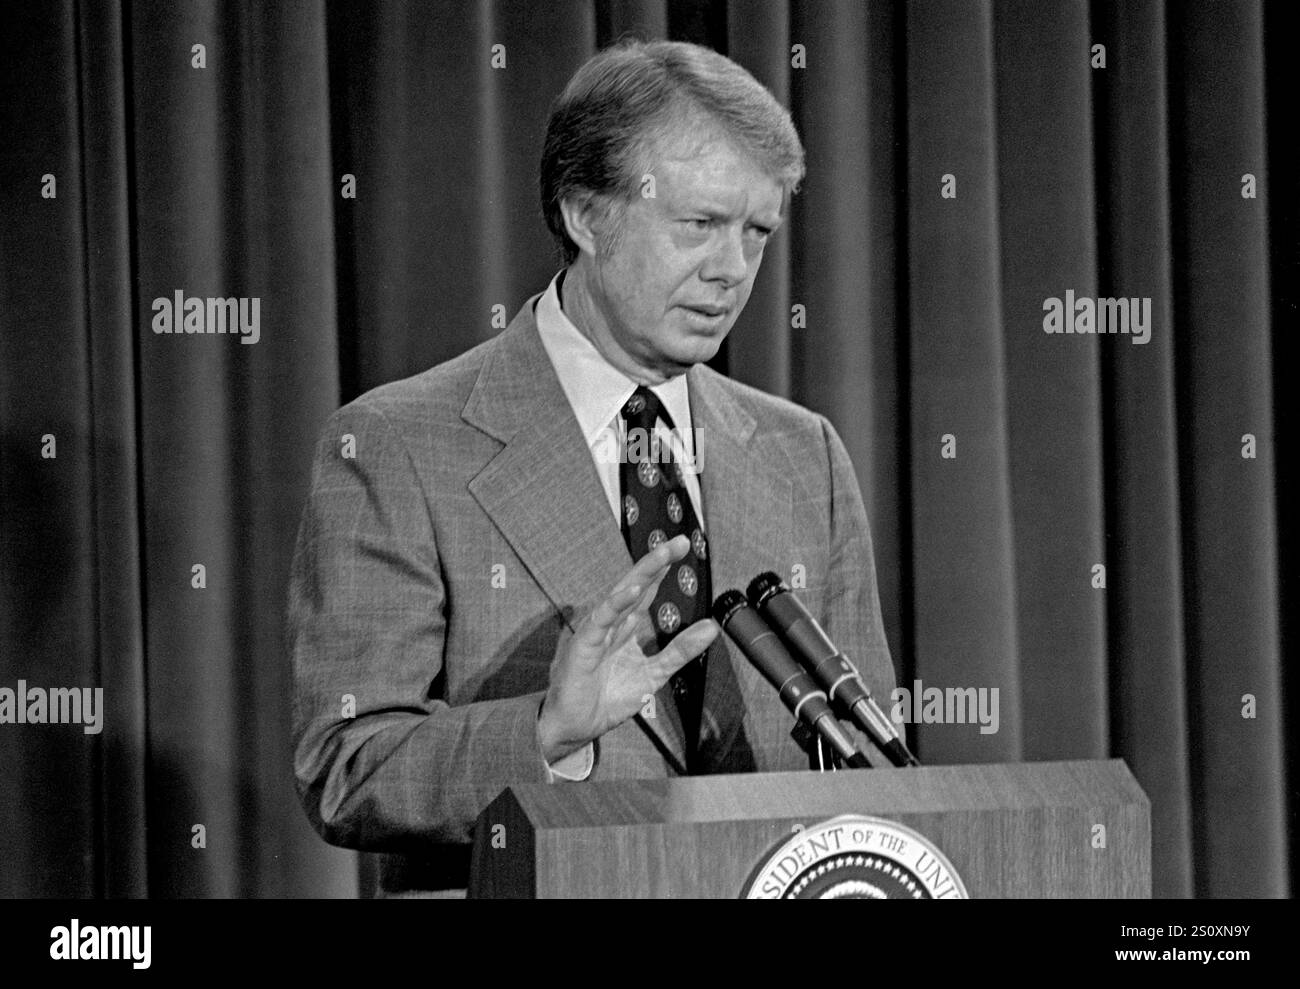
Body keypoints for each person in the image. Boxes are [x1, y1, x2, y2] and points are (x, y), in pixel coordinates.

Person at [288, 39, 895, 896]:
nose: (732, 269)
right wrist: (545, 732)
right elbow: (346, 765)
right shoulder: (397, 445)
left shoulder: (805, 453)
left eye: (756, 232)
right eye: (699, 225)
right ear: (585, 214)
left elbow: (874, 760)